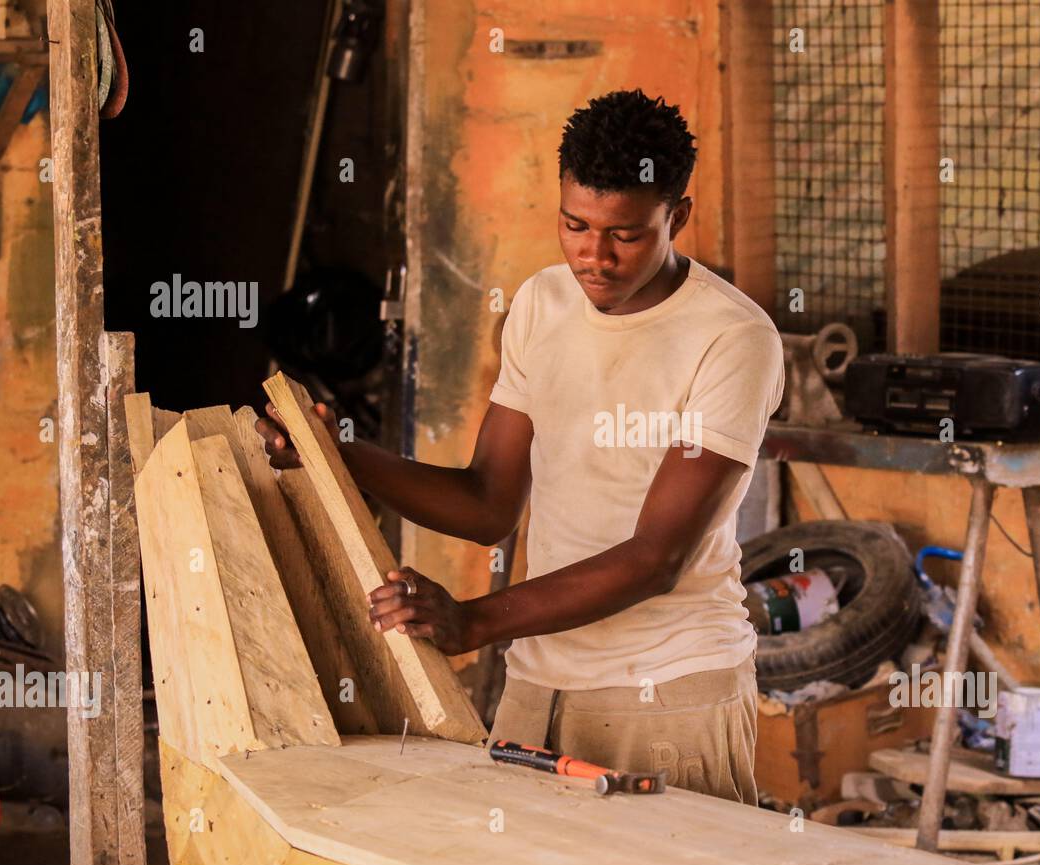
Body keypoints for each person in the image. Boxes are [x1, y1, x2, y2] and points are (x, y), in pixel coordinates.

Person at [257, 89, 784, 804]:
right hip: (539, 683)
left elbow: (654, 558)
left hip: (669, 690)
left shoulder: (731, 338)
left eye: (624, 234)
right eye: (575, 226)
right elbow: (486, 503)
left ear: (677, 217)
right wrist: (334, 454)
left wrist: (472, 621)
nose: (593, 256)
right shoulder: (543, 303)